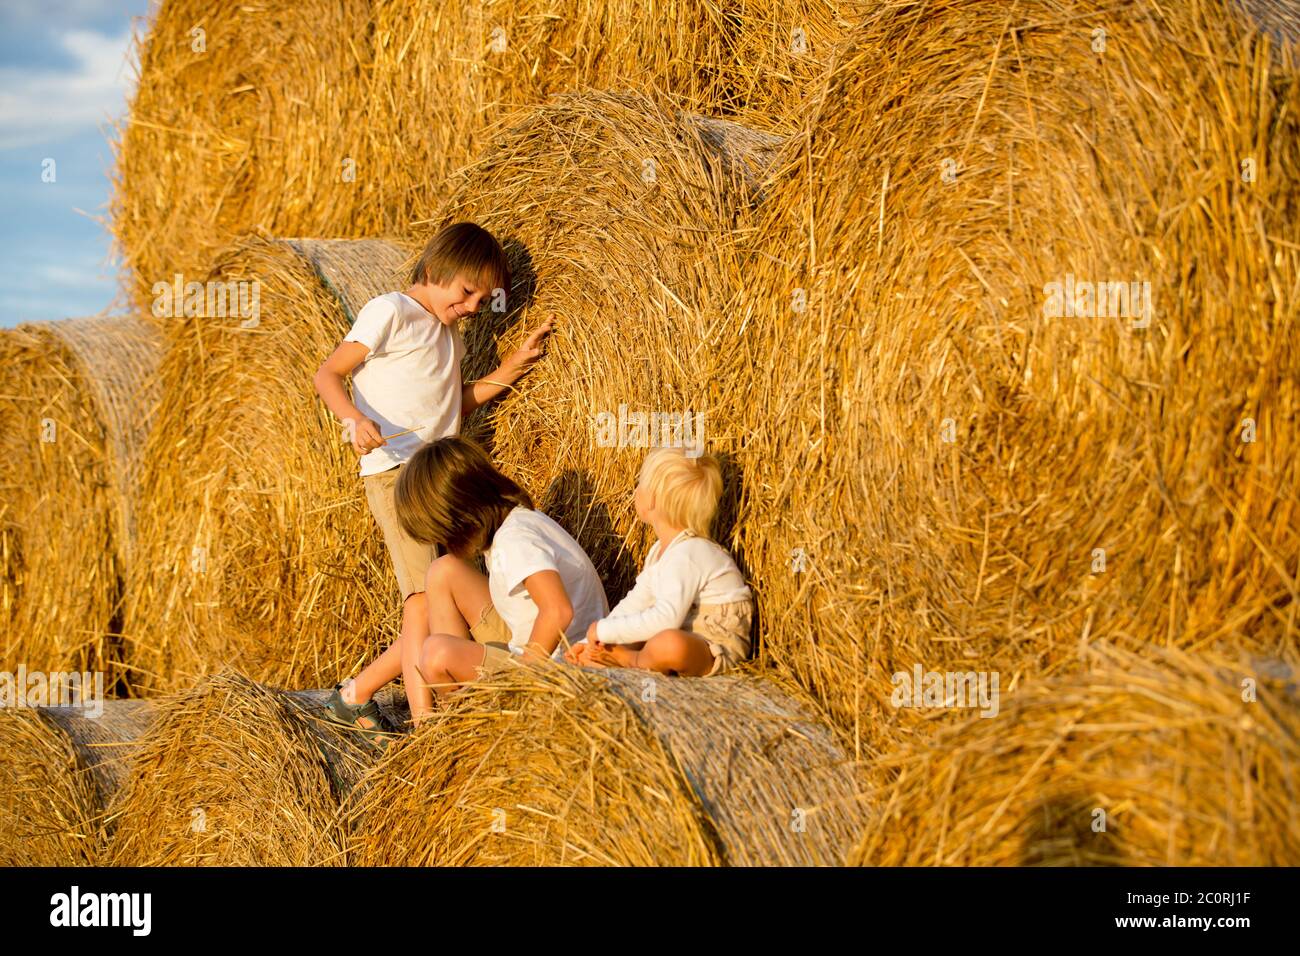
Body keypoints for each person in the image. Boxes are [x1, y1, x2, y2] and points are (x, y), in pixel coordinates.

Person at [313, 222, 550, 739]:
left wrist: (511, 367)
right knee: (421, 599)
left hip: (442, 478)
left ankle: (361, 695)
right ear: (435, 270)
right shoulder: (391, 311)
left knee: (444, 597)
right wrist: (354, 420)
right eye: (466, 292)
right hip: (397, 475)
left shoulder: (449, 335)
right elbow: (327, 374)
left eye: (482, 299)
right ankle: (424, 727)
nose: (471, 307)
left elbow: (454, 404)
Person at [566, 447, 753, 676]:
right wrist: (592, 641)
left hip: (714, 643)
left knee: (669, 643)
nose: (636, 491)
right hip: (681, 629)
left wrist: (604, 631)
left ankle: (632, 660)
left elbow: (667, 618)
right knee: (632, 633)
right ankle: (605, 656)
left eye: (640, 485)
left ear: (652, 499)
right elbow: (636, 602)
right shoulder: (660, 551)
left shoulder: (690, 553)